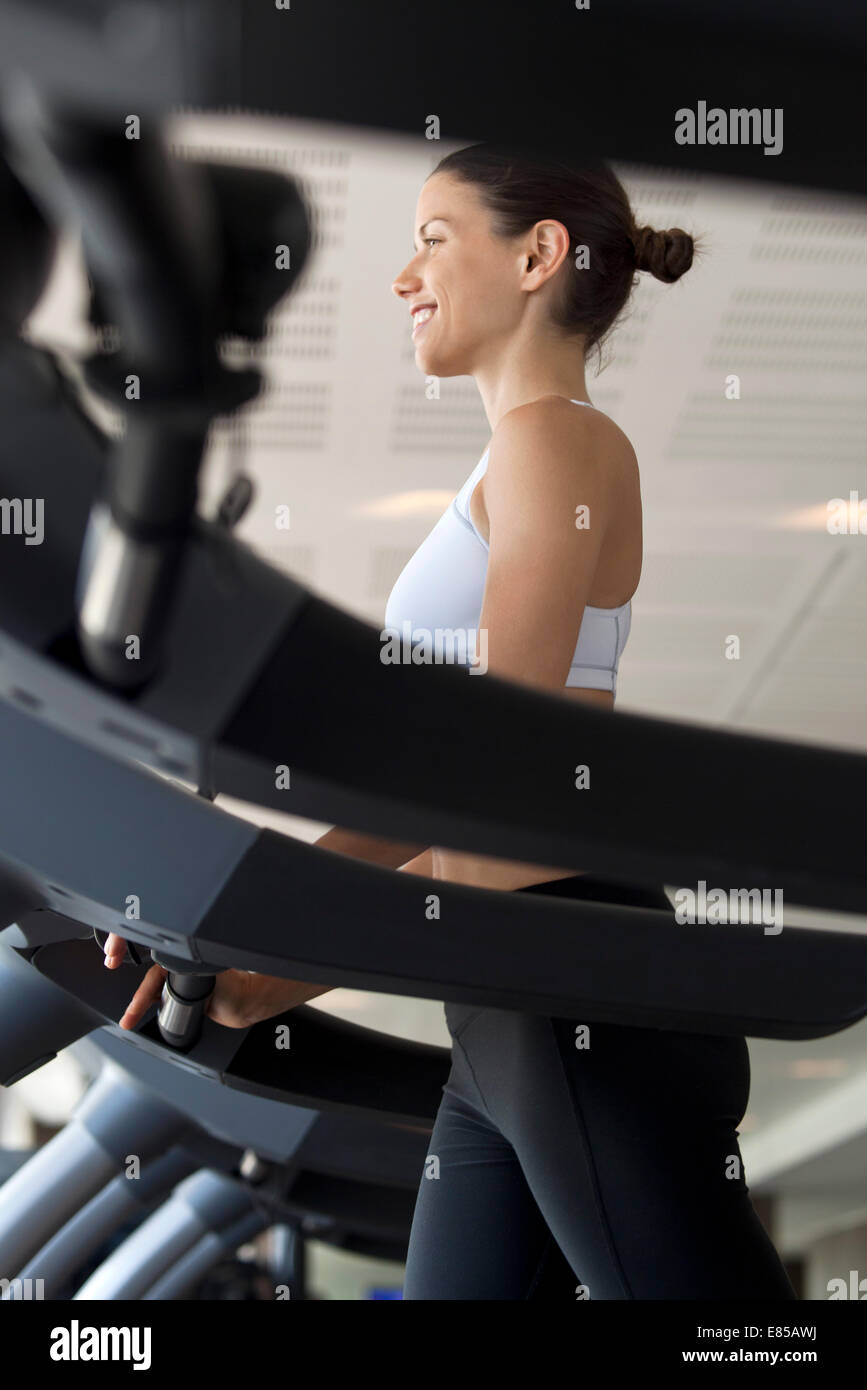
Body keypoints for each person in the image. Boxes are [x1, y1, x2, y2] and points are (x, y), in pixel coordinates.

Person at [107, 141, 796, 1299]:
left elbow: (488, 756)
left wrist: (269, 924)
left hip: (574, 980)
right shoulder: (517, 458)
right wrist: (261, 973)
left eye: (432, 238)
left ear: (537, 256)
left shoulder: (559, 438)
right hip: (499, 992)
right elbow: (456, 829)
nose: (402, 275)